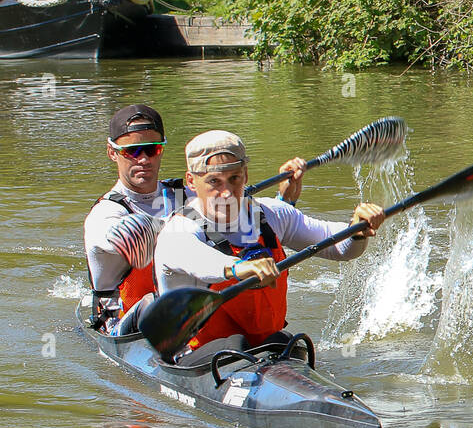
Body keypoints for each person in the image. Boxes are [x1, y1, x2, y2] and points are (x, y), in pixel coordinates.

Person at [153, 130, 384, 363]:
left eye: (234, 179)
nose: (226, 193)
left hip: (264, 349)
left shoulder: (271, 214)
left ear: (245, 174)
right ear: (192, 181)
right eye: (214, 181)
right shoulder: (178, 231)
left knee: (287, 343)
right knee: (235, 347)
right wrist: (239, 268)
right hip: (197, 359)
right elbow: (200, 261)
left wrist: (357, 230)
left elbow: (341, 250)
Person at [83, 104, 307, 334]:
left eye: (152, 150)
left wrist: (284, 202)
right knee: (151, 302)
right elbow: (124, 237)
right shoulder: (105, 214)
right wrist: (168, 234)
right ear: (112, 153)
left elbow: (241, 215)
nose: (143, 159)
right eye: (132, 151)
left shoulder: (184, 195)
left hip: (184, 320)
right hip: (127, 325)